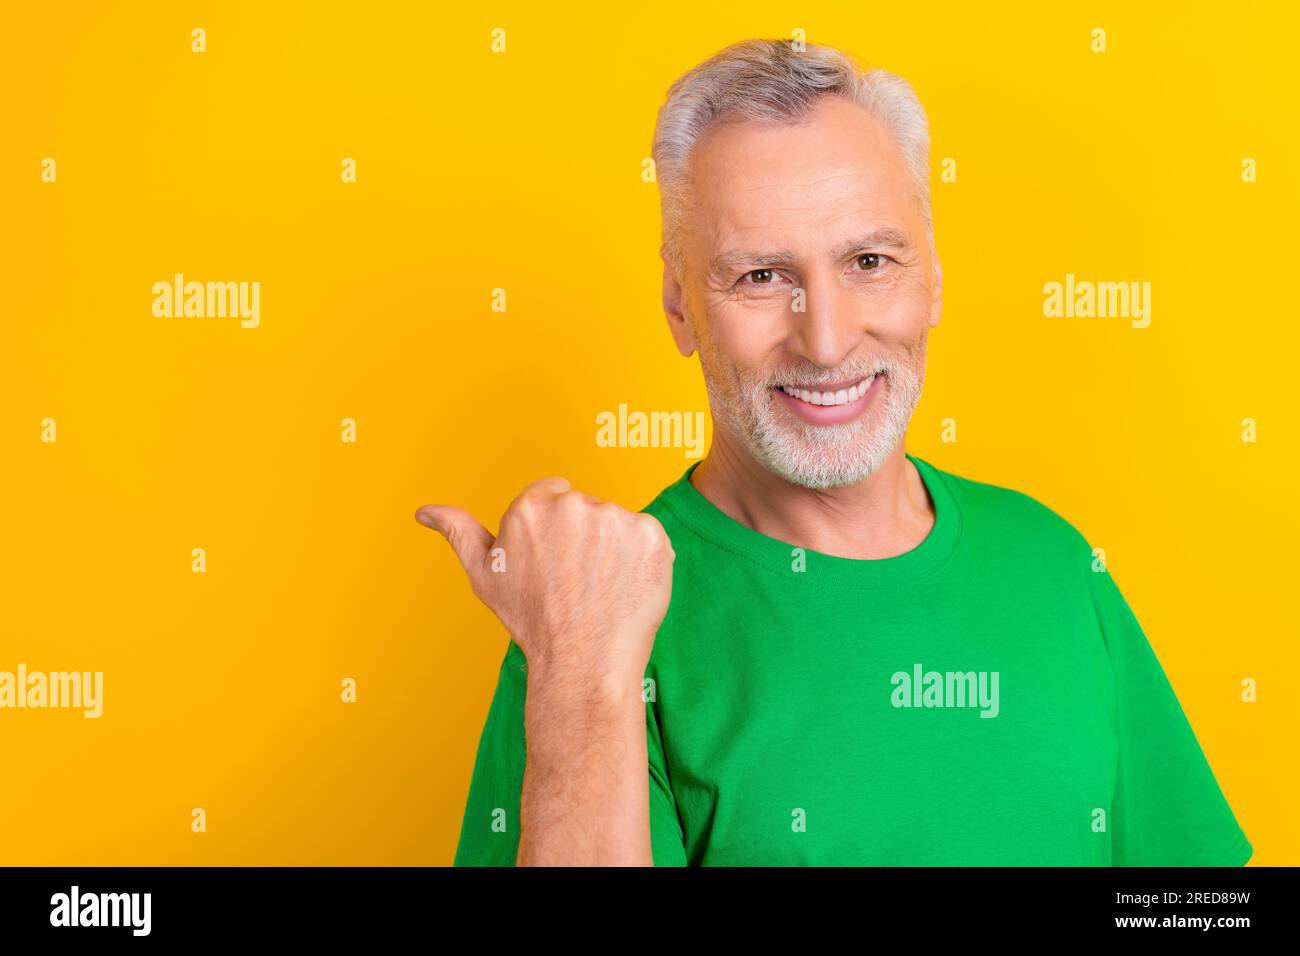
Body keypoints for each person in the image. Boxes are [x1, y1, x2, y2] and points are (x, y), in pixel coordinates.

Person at [417, 38, 1252, 866]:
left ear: (933, 278)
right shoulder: (590, 633)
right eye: (759, 277)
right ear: (679, 308)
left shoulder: (1056, 562)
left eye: (868, 261)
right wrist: (583, 675)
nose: (824, 340)